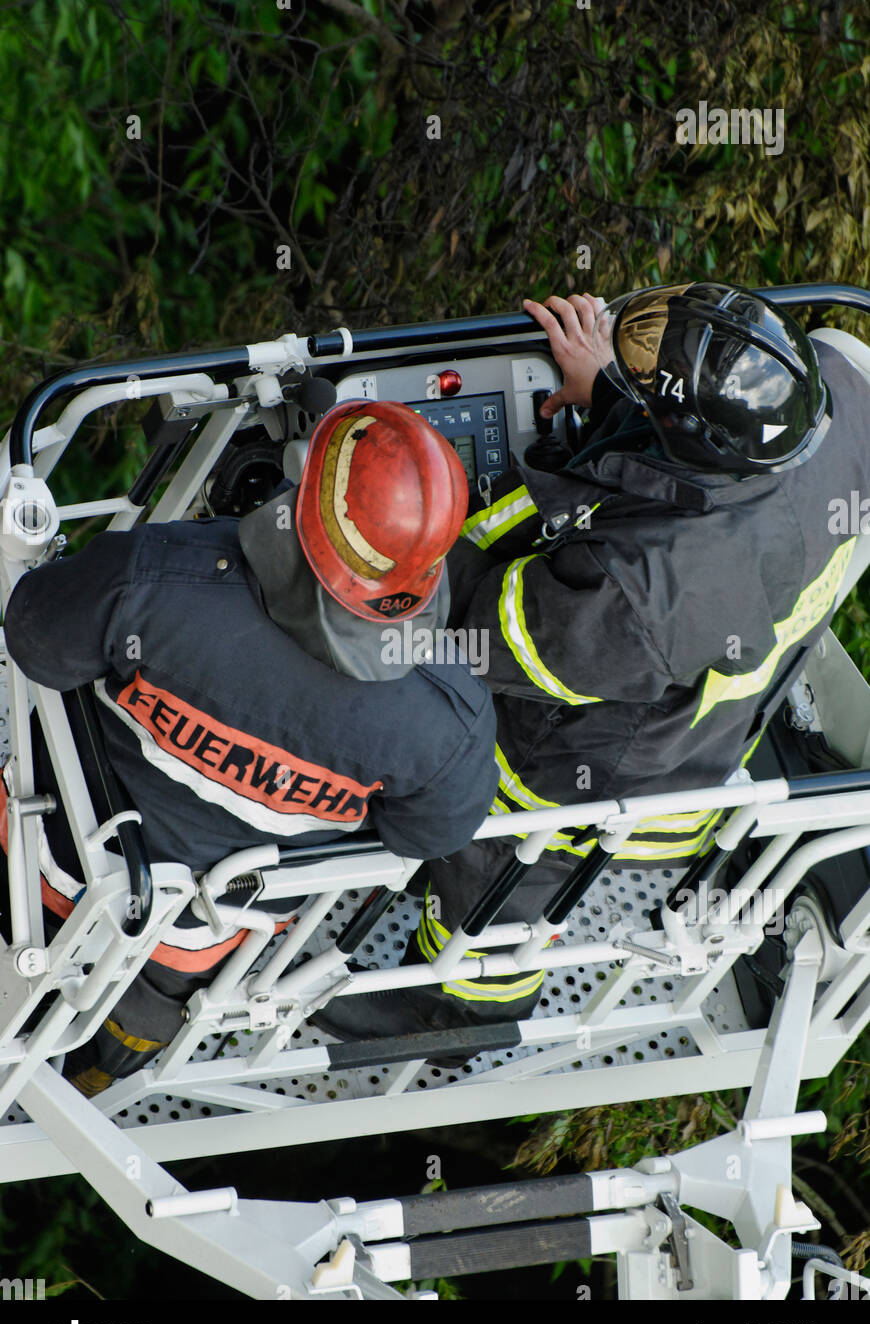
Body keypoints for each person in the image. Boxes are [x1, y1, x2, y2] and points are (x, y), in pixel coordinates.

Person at [313, 281, 870, 1052]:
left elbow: (486, 636)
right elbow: (707, 469)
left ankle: (469, 1006)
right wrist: (612, 385)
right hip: (703, 705)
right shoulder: (841, 383)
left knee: (501, 853)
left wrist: (387, 546)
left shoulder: (645, 596)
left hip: (619, 766)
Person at [1, 399, 499, 1092]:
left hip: (37, 863)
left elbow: (35, 640)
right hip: (194, 946)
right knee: (126, 1028)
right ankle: (83, 1074)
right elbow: (428, 833)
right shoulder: (448, 719)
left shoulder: (159, 578)